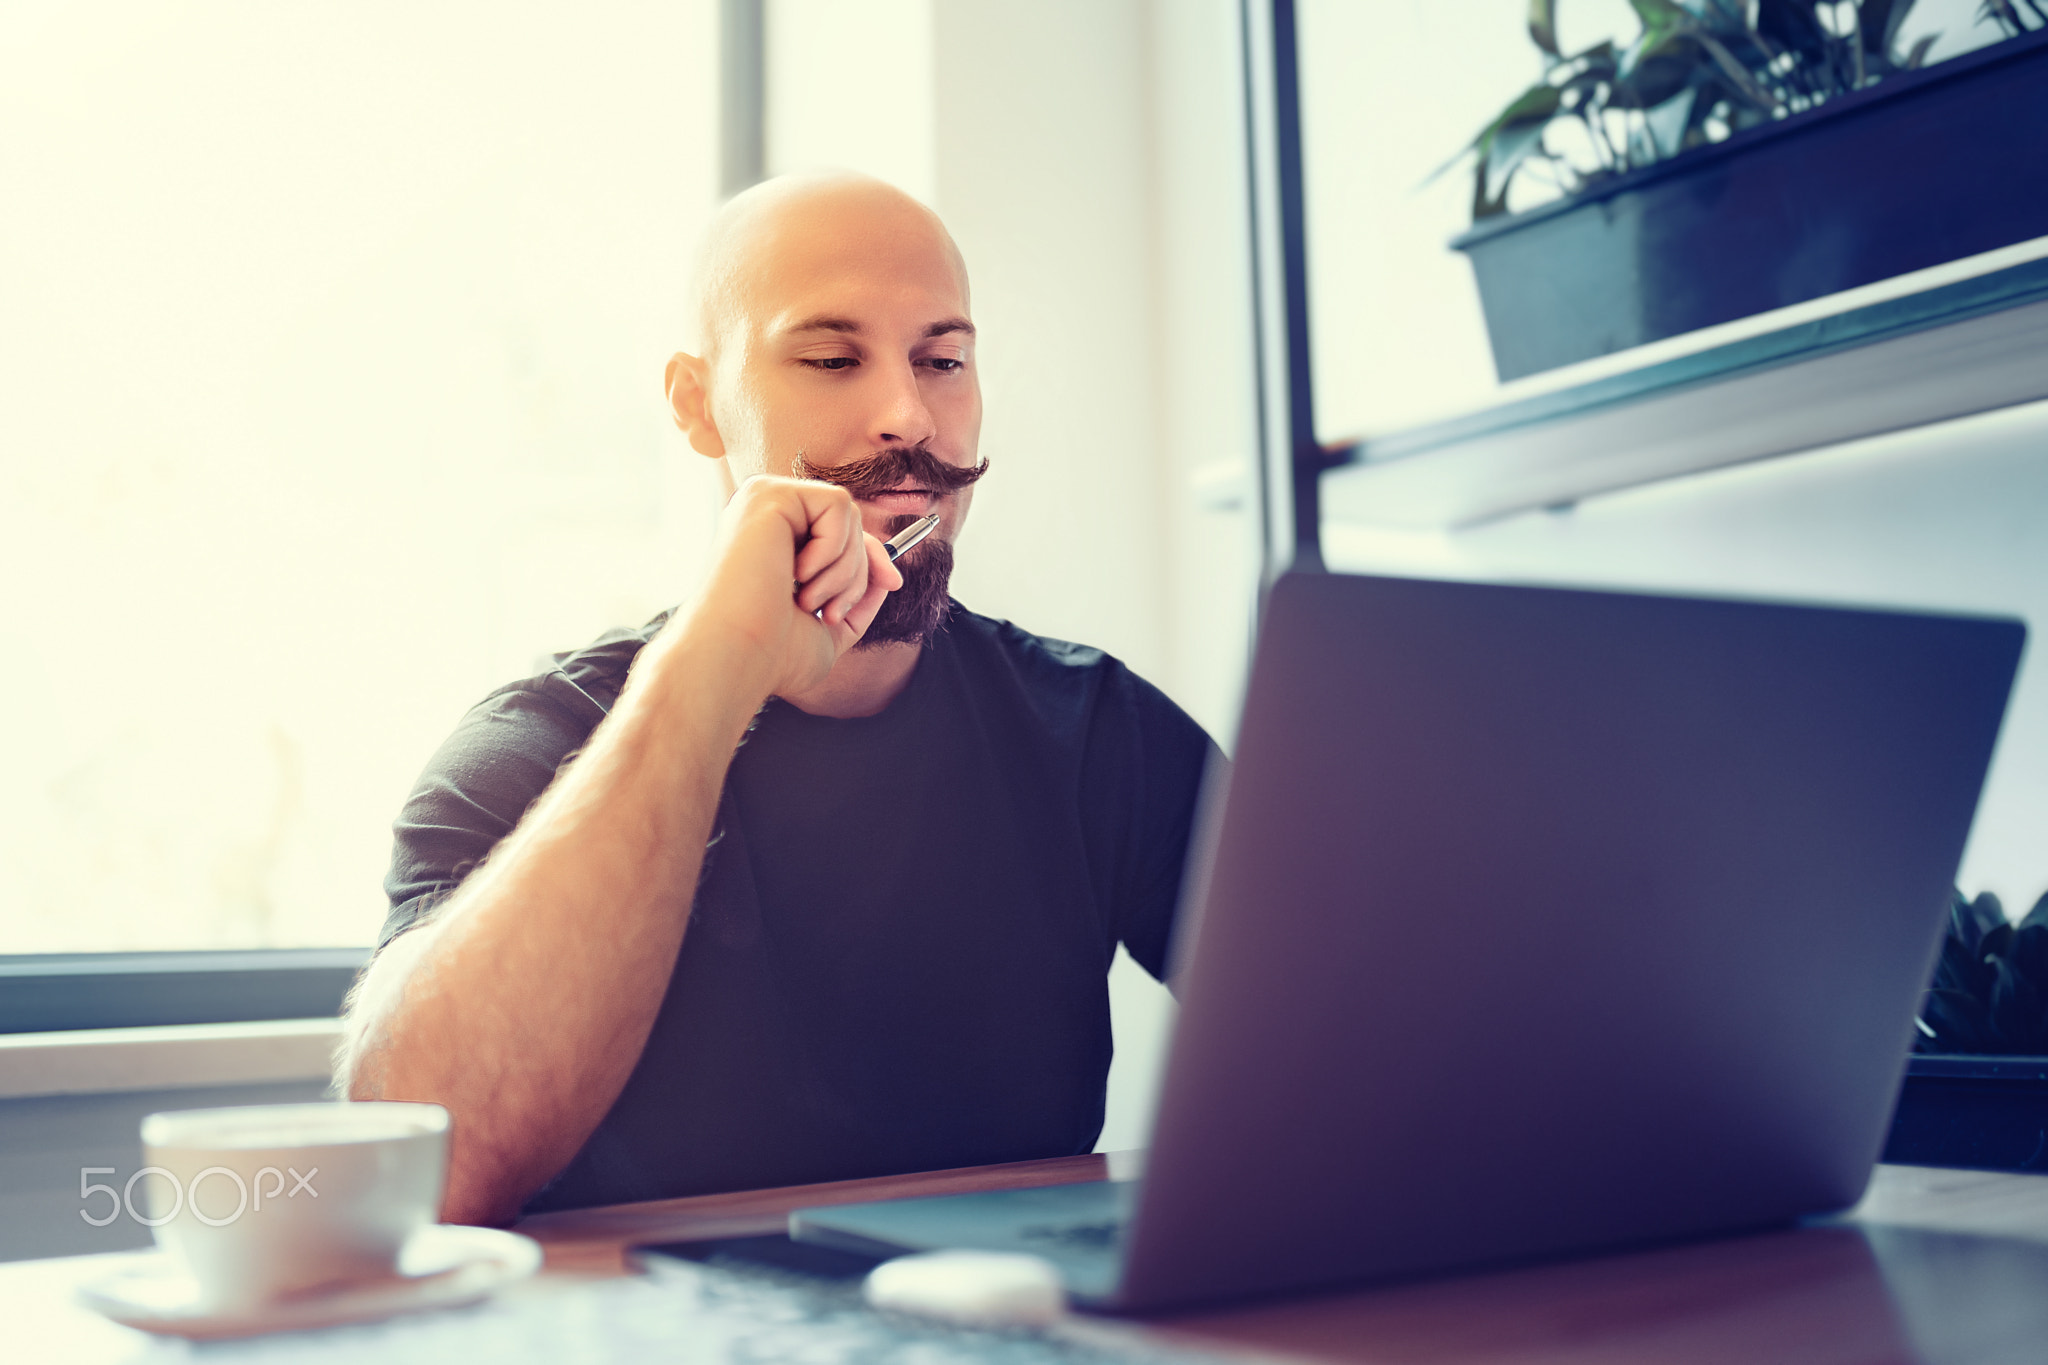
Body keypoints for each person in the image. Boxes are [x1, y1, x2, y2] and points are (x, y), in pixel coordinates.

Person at [338, 173, 1216, 1225]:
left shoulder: (1096, 737)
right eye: (831, 359)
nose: (907, 414)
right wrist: (711, 670)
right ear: (697, 404)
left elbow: (1377, 1047)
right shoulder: (530, 752)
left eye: (942, 361)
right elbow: (418, 1170)